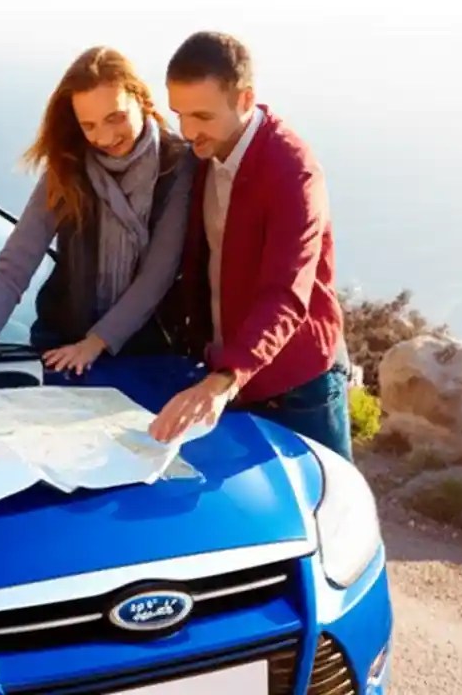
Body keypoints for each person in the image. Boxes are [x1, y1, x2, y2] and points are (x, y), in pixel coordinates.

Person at [0, 45, 197, 407]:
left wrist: (96, 342)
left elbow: (158, 274)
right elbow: (13, 267)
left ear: (141, 99)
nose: (104, 138)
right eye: (88, 125)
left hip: (148, 352)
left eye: (115, 118)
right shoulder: (67, 168)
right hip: (63, 352)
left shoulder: (179, 165)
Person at [148, 31, 353, 459]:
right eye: (179, 114)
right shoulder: (205, 154)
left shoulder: (293, 171)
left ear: (244, 99)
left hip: (298, 387)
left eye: (202, 116)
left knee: (326, 514)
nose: (187, 132)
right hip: (227, 376)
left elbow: (286, 294)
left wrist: (222, 380)